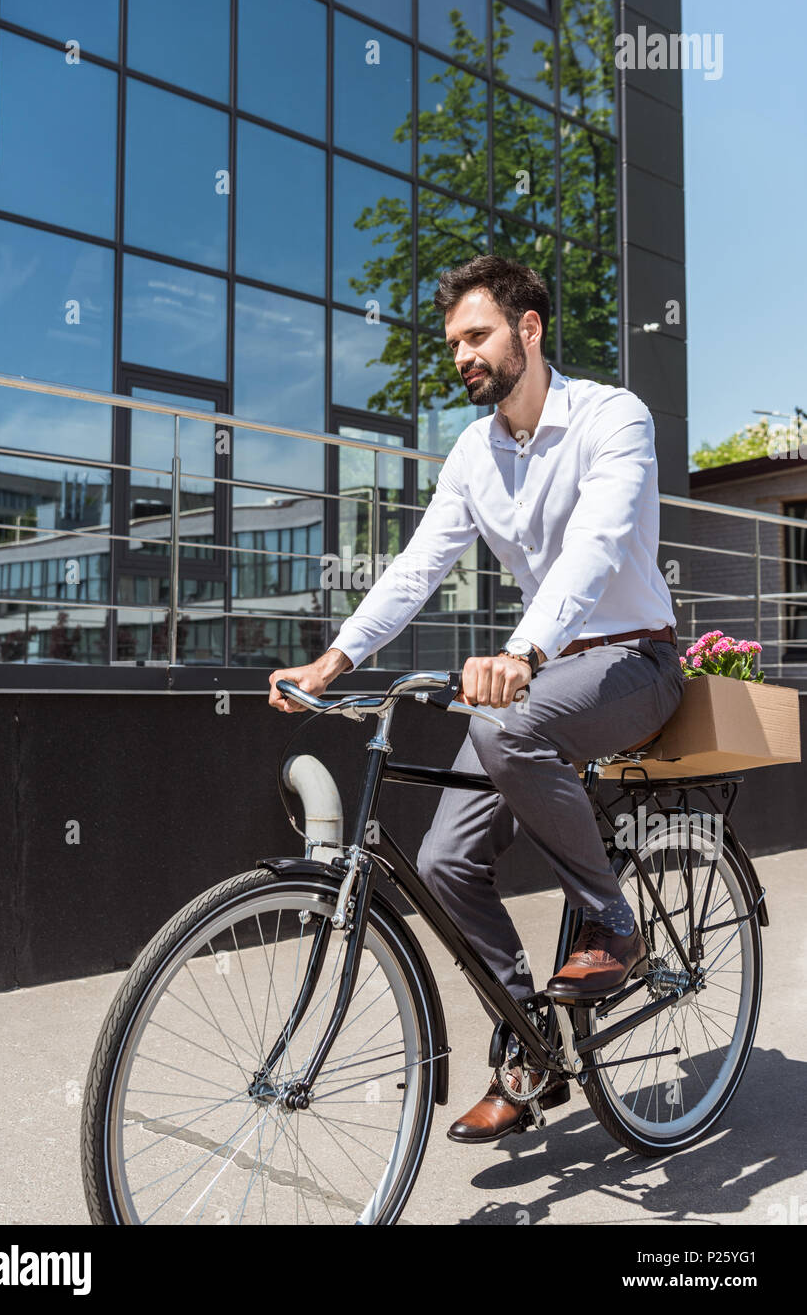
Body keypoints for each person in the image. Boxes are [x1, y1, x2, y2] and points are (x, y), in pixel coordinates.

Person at [268, 254, 685, 1143]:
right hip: (541, 675)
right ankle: (528, 1050)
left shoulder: (612, 416)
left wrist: (522, 649)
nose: (460, 354)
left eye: (476, 335)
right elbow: (420, 563)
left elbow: (600, 545)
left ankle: (614, 923)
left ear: (527, 330)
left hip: (632, 664)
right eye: (452, 341)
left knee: (508, 719)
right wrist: (334, 661)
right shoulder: (474, 449)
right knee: (447, 861)